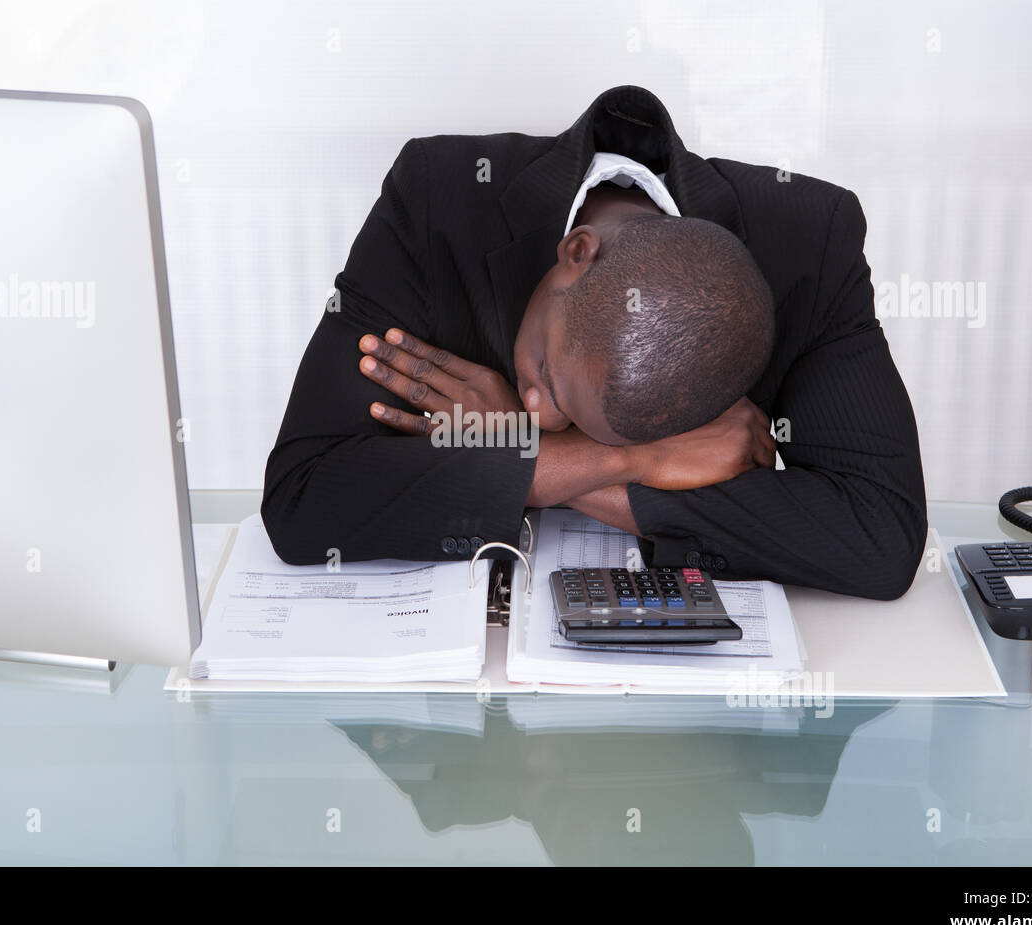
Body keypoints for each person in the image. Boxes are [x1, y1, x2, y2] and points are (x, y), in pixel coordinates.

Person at [263, 86, 926, 599]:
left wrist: (524, 453)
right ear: (576, 253)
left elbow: (878, 538)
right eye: (547, 376)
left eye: (599, 431)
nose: (537, 411)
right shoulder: (437, 196)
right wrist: (630, 458)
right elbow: (304, 499)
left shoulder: (810, 240)